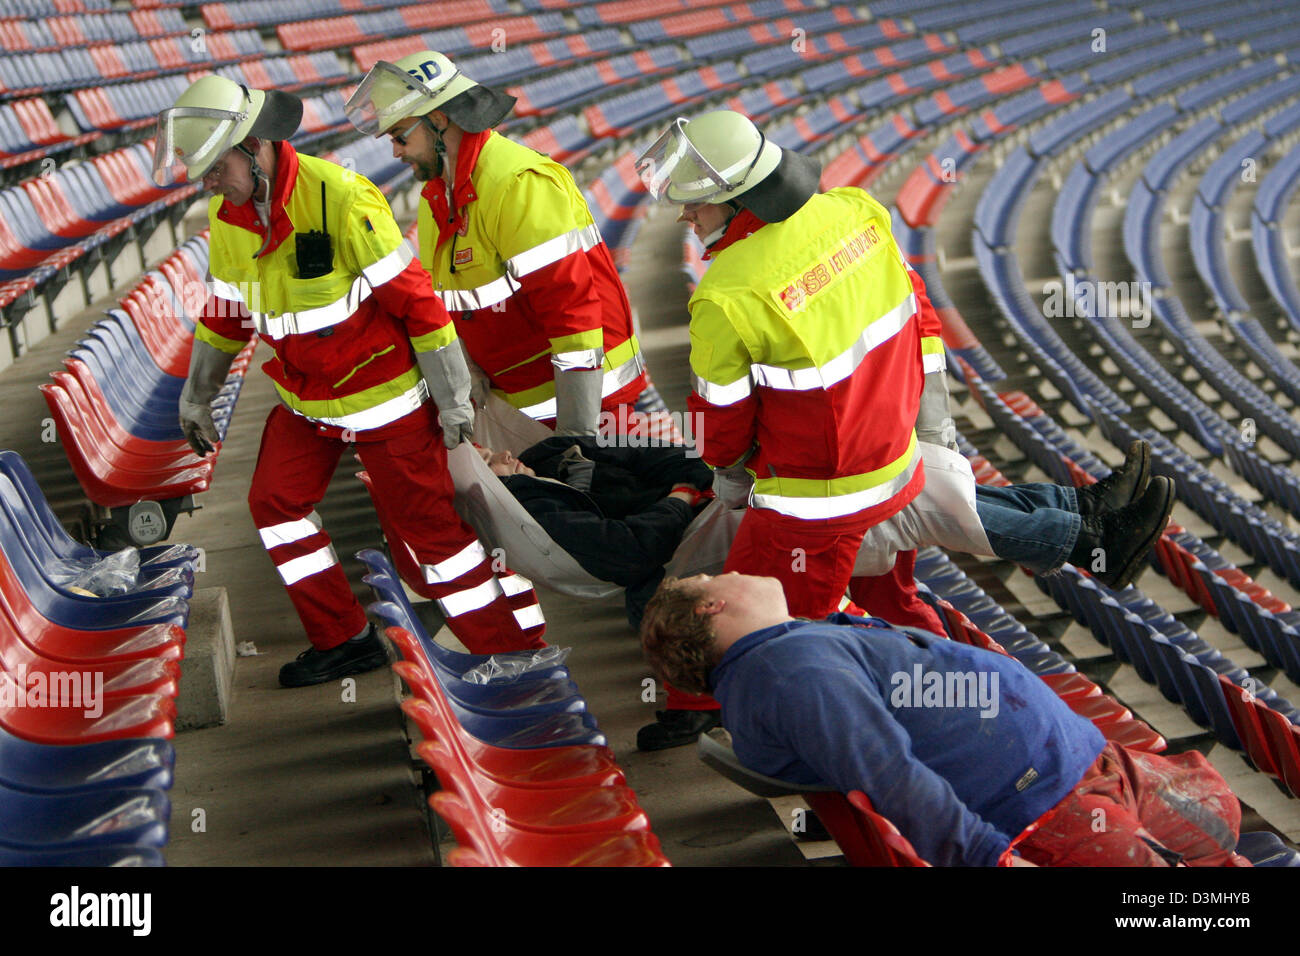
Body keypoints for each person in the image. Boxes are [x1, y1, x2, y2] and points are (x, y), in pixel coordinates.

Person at [631, 110, 1174, 749]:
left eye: (696, 205)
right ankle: (983, 680)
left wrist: (728, 483)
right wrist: (934, 423)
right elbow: (918, 319)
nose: (684, 219)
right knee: (891, 598)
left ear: (738, 199)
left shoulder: (727, 293)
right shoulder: (858, 213)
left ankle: (725, 716)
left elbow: (722, 427)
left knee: (753, 622)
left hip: (812, 503)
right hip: (894, 463)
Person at [152, 75, 545, 688]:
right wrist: (196, 393)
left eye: (214, 167)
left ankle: (513, 656)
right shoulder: (227, 213)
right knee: (274, 506)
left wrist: (452, 403)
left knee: (433, 540)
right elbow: (227, 309)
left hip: (385, 405)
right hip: (306, 399)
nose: (206, 182)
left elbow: (420, 308)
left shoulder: (342, 197)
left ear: (255, 148)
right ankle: (344, 638)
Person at [640, 572, 1250, 867]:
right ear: (711, 605)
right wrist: (992, 861)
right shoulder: (788, 670)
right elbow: (890, 775)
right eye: (713, 575)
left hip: (1095, 773)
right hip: (1053, 816)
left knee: (1223, 826)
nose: (734, 569)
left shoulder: (789, 653)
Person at [344, 51, 648, 435]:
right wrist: (468, 370)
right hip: (521, 412)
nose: (395, 152)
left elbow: (571, 312)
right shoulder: (435, 198)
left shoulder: (518, 184)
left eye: (400, 136)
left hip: (593, 407)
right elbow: (452, 301)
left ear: (438, 120)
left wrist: (577, 436)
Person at [477, 437, 714, 626]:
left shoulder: (549, 452)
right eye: (489, 463)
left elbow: (640, 451)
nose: (505, 454)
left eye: (491, 451)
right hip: (679, 529)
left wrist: (700, 474)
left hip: (686, 504)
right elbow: (630, 548)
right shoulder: (537, 515)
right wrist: (679, 499)